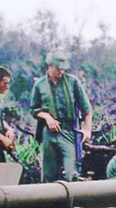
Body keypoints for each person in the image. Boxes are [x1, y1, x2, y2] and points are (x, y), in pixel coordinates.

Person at [30, 50, 92, 181]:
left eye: (63, 69)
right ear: (49, 66)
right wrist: (47, 117)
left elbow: (86, 109)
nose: (61, 72)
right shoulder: (39, 85)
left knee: (72, 173)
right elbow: (34, 110)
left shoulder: (72, 82)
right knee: (48, 174)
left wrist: (87, 130)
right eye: (58, 69)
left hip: (68, 131)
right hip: (49, 132)